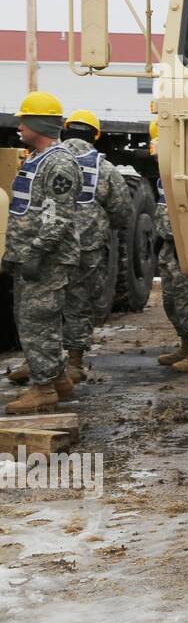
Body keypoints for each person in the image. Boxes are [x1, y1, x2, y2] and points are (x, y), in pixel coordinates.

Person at [2, 92, 83, 415]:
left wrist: (36, 252)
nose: (19, 125)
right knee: (33, 319)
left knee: (38, 322)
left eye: (25, 119)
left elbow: (58, 216)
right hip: (32, 255)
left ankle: (44, 388)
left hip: (47, 259)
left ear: (39, 123)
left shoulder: (59, 163)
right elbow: (28, 210)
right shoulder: (39, 159)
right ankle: (58, 379)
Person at [59, 109, 132, 383]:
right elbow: (121, 210)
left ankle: (41, 363)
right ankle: (74, 364)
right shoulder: (105, 168)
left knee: (45, 301)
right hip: (86, 246)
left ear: (66, 130)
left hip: (48, 245)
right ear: (95, 136)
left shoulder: (44, 159)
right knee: (78, 302)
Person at [150, 119, 188, 370]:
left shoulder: (186, 168)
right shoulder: (164, 173)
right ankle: (185, 346)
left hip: (184, 246)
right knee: (171, 301)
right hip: (169, 246)